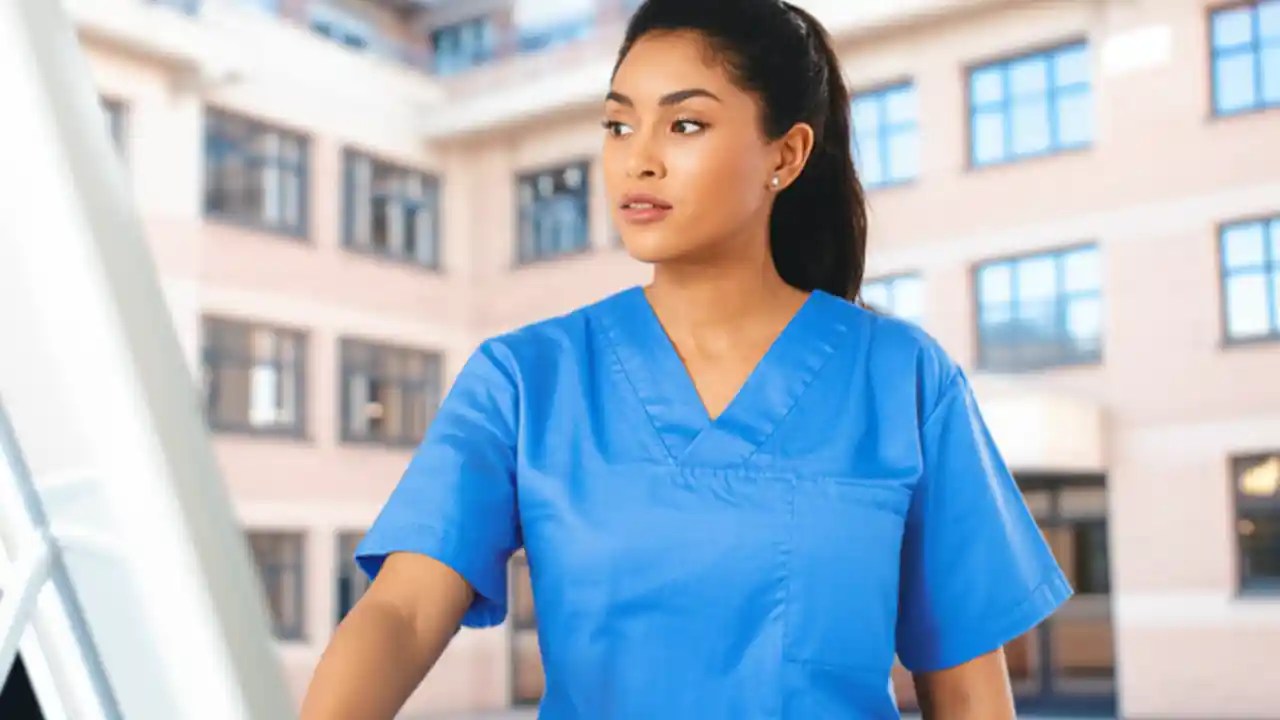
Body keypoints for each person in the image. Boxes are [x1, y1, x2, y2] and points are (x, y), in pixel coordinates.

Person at [300, 1, 1072, 718]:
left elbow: (968, 690)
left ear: (787, 154)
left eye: (686, 125)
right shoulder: (526, 381)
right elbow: (403, 612)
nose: (638, 160)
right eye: (617, 126)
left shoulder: (903, 380)